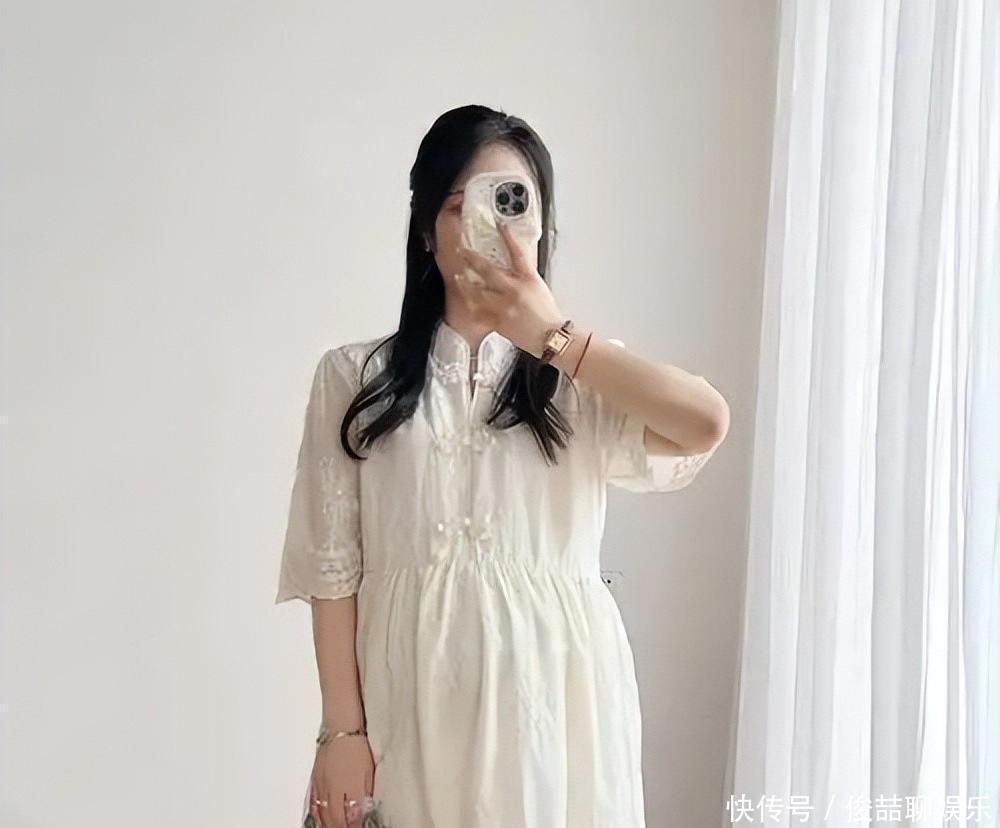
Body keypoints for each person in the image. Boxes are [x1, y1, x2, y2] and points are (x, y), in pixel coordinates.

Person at [275, 104, 730, 828]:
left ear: (542, 227)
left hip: (557, 707)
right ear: (426, 230)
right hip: (410, 700)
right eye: (459, 205)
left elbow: (706, 423)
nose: (487, 225)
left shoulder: (583, 381)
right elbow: (334, 570)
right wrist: (341, 732)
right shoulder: (354, 379)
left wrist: (556, 337)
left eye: (511, 202)